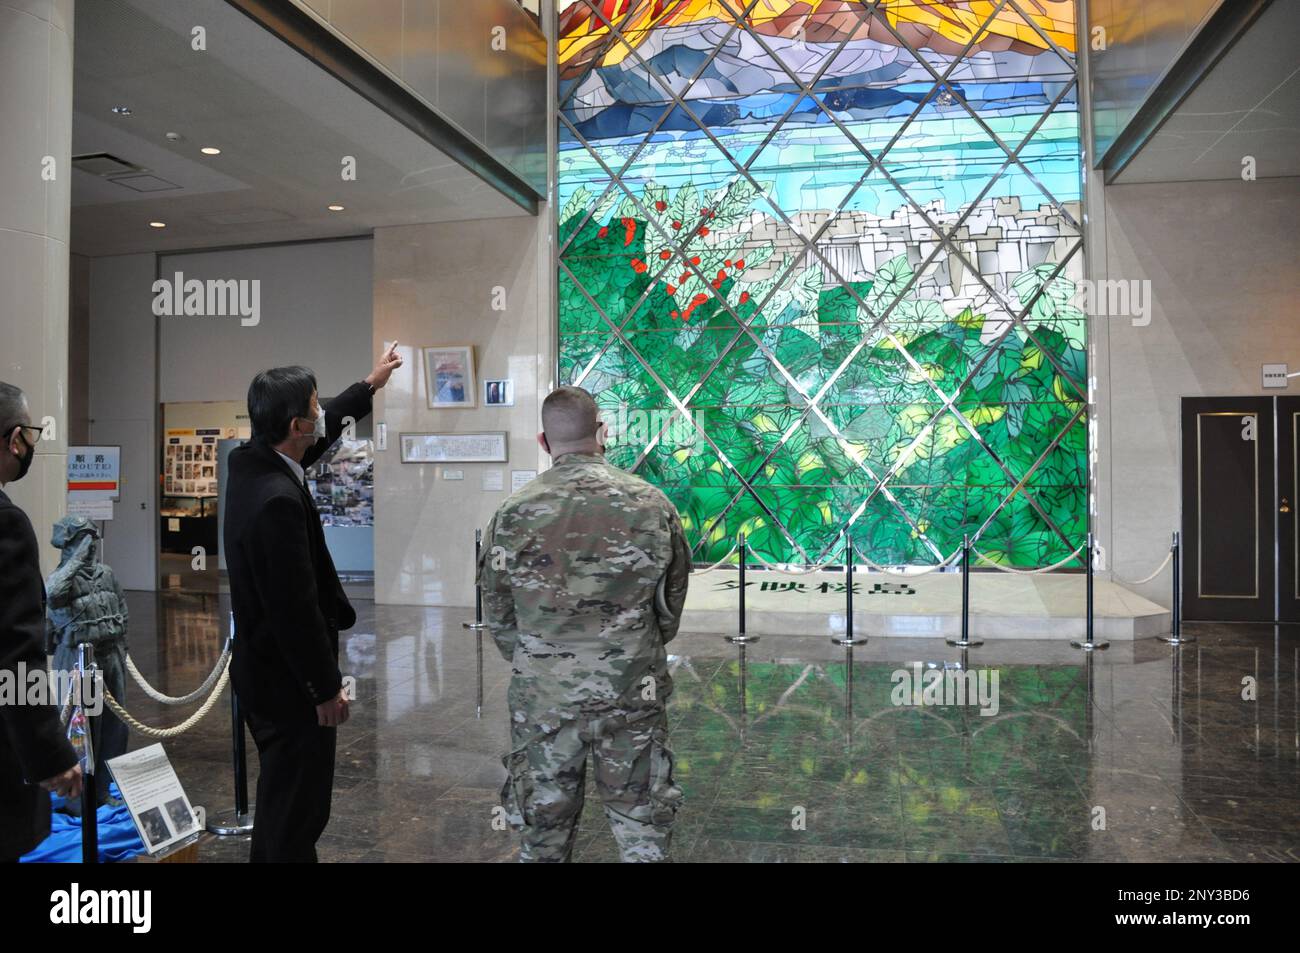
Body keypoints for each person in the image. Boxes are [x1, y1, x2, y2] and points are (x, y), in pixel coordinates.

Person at [477, 385, 692, 862]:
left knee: (544, 828)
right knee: (642, 820)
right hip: (632, 688)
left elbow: (497, 611)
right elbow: (670, 604)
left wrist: (540, 657)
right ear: (603, 432)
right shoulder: (653, 505)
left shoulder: (513, 513)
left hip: (545, 696)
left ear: (543, 440)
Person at [224, 344, 402, 862]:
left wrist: (371, 384)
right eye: (315, 406)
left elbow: (326, 431)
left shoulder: (252, 464)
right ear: (297, 426)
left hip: (263, 675)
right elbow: (294, 609)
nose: (322, 413)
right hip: (288, 685)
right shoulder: (277, 501)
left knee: (288, 803)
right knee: (296, 810)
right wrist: (325, 690)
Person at [0, 381, 82, 863]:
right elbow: (15, 655)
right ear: (14, 439)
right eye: (29, 433)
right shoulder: (7, 525)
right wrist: (51, 756)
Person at [46, 516, 129, 808]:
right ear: (67, 544)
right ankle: (78, 799)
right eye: (81, 539)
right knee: (81, 728)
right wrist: (77, 558)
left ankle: (104, 791)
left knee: (115, 728)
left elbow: (122, 608)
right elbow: (53, 593)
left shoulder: (106, 574)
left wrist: (122, 649)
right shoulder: (62, 580)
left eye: (91, 538)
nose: (89, 545)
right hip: (78, 659)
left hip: (110, 656)